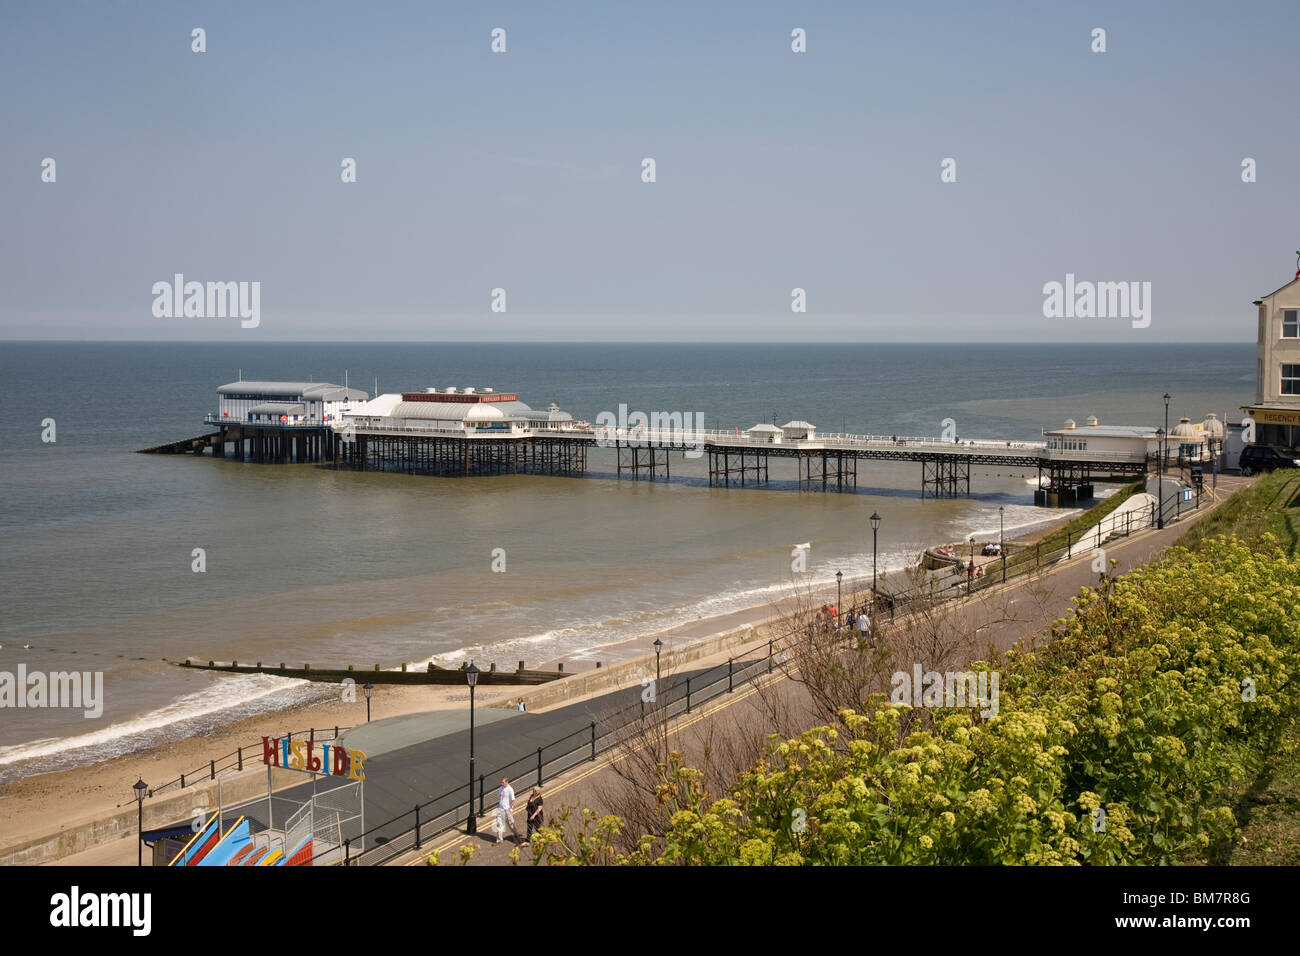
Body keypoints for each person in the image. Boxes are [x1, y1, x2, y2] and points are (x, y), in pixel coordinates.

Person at [494, 776, 522, 845]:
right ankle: (499, 839)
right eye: (501, 782)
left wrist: (510, 808)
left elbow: (513, 800)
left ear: (507, 782)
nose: (501, 783)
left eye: (503, 782)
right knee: (499, 824)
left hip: (507, 810)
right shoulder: (500, 788)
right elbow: (500, 798)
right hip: (500, 809)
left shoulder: (510, 789)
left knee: (510, 824)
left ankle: (516, 833)